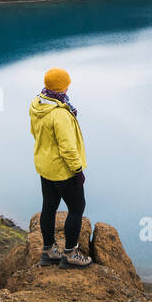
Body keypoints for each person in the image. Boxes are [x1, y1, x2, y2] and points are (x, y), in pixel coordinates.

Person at [29, 67, 92, 269]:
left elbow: (35, 133)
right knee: (76, 208)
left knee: (49, 206)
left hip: (45, 167)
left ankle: (48, 251)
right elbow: (67, 148)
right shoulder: (60, 115)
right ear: (62, 86)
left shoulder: (37, 103)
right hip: (63, 171)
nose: (68, 86)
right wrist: (77, 170)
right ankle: (71, 254)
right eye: (66, 83)